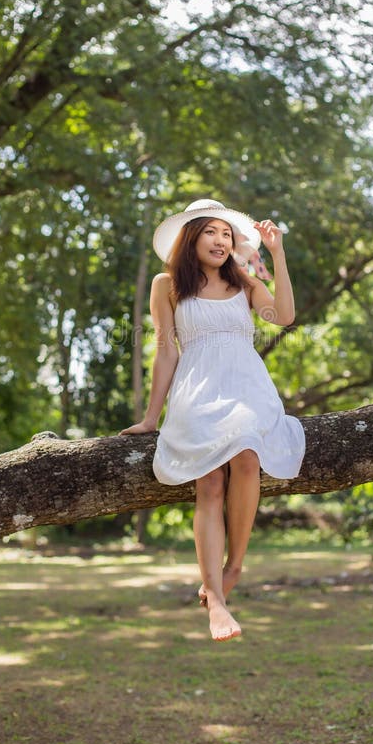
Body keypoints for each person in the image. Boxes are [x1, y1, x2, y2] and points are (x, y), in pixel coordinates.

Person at [120, 199, 305, 642]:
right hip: (196, 391)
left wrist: (277, 255)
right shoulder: (168, 285)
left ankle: (234, 565)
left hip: (246, 386)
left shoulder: (244, 284)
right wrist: (151, 418)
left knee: (245, 453)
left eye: (227, 234)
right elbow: (165, 352)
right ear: (191, 236)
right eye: (211, 232)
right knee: (209, 484)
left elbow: (284, 317)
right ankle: (216, 603)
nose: (221, 241)